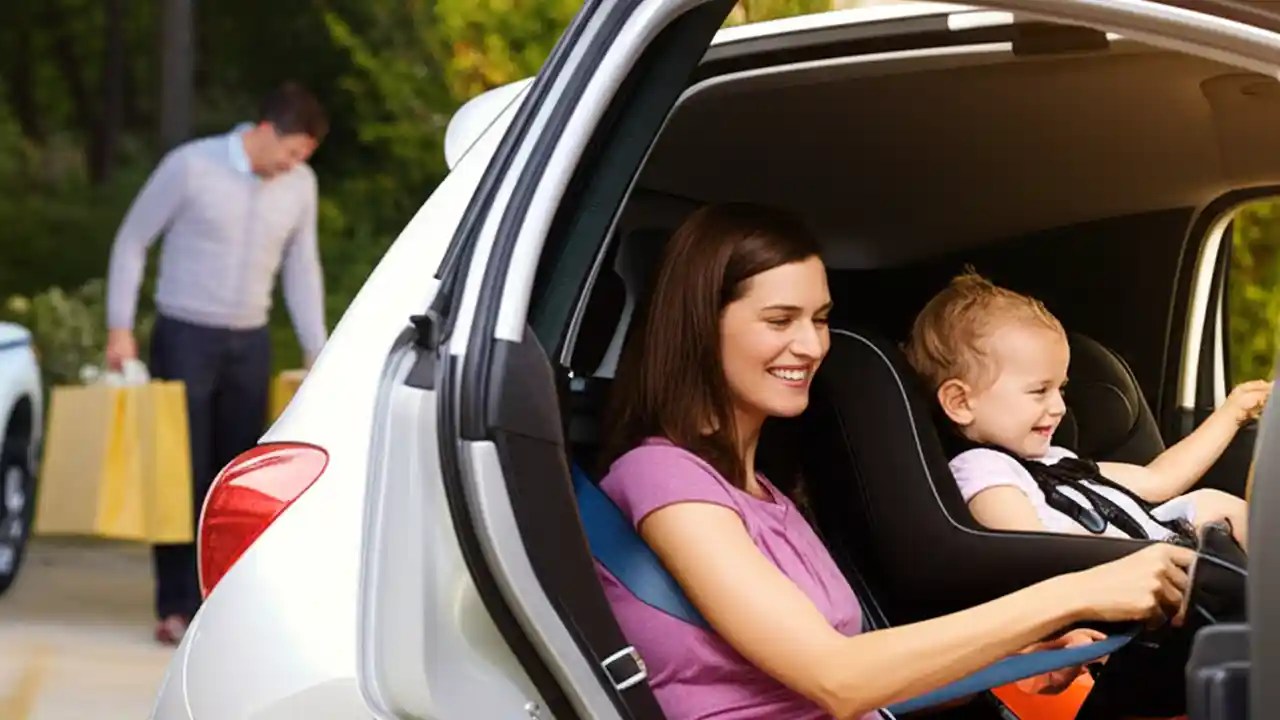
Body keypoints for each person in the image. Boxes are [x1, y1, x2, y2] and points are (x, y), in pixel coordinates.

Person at [597, 203, 1193, 719]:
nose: (810, 346)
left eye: (821, 319)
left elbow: (863, 690)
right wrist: (1073, 593)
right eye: (780, 320)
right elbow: (836, 678)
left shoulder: (768, 496)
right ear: (704, 327)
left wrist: (1013, 659)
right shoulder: (664, 476)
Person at [104, 82, 329, 645]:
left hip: (249, 342)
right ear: (267, 129)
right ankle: (174, 606)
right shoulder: (191, 166)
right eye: (295, 151)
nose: (295, 165)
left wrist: (316, 348)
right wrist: (119, 329)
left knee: (235, 480)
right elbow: (132, 241)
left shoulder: (300, 186)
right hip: (184, 335)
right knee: (179, 472)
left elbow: (304, 268)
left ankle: (218, 605)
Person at [904, 271, 1265, 550]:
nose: (1060, 407)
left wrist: (1233, 412)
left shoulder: (1056, 462)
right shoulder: (981, 471)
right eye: (1039, 390)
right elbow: (1033, 558)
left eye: (1060, 388)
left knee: (1211, 502)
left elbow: (1160, 480)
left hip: (1159, 559)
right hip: (1119, 594)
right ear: (961, 402)